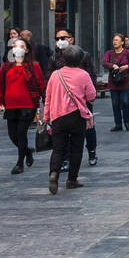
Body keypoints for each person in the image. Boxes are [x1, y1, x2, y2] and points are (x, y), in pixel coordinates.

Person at [43, 45, 95, 194]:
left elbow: (48, 97)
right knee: (76, 148)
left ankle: (54, 173)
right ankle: (72, 179)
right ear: (80, 59)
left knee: (58, 148)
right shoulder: (83, 75)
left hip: (58, 116)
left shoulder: (55, 75)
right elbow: (91, 95)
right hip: (76, 116)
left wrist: (46, 116)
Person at [0, 38, 45, 175]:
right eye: (14, 46)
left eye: (21, 46)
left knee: (21, 134)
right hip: (10, 106)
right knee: (12, 135)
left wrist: (46, 102)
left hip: (28, 105)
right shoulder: (6, 66)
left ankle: (19, 163)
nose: (17, 48)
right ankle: (27, 151)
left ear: (27, 49)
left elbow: (41, 85)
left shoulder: (34, 66)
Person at [53, 28, 98, 167]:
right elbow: (49, 79)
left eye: (63, 38)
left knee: (88, 127)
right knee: (65, 131)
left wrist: (87, 97)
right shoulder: (54, 58)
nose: (60, 41)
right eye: (57, 39)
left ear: (71, 39)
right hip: (62, 103)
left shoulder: (83, 56)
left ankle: (91, 151)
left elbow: (91, 77)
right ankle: (66, 158)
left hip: (82, 101)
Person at [102, 33, 129, 132]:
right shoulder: (109, 53)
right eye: (114, 40)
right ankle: (118, 124)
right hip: (114, 82)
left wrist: (127, 66)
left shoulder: (128, 53)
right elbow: (104, 62)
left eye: (117, 40)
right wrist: (112, 66)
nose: (114, 42)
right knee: (115, 103)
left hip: (125, 81)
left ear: (122, 42)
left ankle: (127, 122)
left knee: (125, 102)